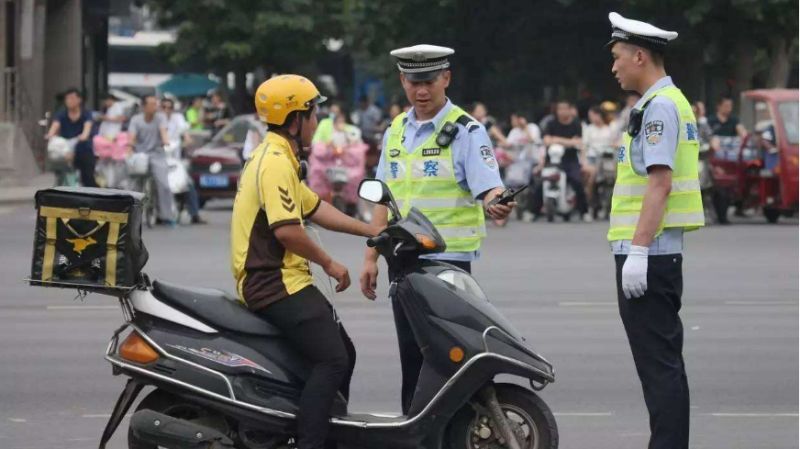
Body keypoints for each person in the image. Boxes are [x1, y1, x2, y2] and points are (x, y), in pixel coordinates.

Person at [359, 44, 513, 415]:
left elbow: (489, 187)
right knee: (412, 354)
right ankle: (414, 429)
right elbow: (382, 197)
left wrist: (498, 201)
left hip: (448, 265)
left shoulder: (466, 131)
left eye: (429, 81)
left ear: (446, 78)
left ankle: (455, 430)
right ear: (402, 81)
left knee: (451, 356)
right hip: (402, 261)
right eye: (414, 82)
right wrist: (370, 258)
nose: (421, 90)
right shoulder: (395, 131)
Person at [231, 75, 381, 449]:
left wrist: (372, 231)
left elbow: (316, 208)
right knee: (333, 360)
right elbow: (287, 231)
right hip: (271, 281)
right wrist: (330, 263)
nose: (317, 121)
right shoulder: (275, 163)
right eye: (313, 114)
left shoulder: (276, 155)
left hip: (279, 279)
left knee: (343, 353)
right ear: (295, 119)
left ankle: (327, 435)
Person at [607, 12, 705, 449]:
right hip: (655, 251)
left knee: (658, 366)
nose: (614, 66)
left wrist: (639, 251)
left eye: (618, 57)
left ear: (640, 56)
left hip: (651, 253)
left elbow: (659, 184)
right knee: (661, 364)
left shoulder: (660, 107)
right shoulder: (662, 102)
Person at [532, 99, 592, 222]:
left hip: (570, 161)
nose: (563, 111)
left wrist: (556, 139)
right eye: (560, 109)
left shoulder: (576, 124)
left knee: (577, 182)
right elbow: (547, 141)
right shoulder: (550, 123)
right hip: (551, 161)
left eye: (565, 108)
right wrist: (569, 142)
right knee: (541, 183)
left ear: (570, 110)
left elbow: (578, 142)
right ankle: (534, 211)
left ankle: (584, 211)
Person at [127, 95, 176, 226]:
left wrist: (166, 141)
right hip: (140, 155)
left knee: (164, 185)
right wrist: (129, 148)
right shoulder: (136, 120)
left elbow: (163, 132)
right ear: (144, 106)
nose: (155, 106)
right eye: (152, 104)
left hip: (157, 155)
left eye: (156, 104)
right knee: (133, 185)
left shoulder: (161, 118)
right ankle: (132, 214)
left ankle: (166, 215)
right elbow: (131, 137)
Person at [160, 97, 207, 225]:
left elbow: (185, 134)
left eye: (169, 107)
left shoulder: (178, 118)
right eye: (164, 107)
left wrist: (187, 141)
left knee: (188, 183)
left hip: (175, 160)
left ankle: (194, 214)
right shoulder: (157, 119)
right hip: (160, 158)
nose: (166, 110)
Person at [46, 88, 98, 187]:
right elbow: (55, 126)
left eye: (72, 98)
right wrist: (50, 135)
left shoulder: (86, 114)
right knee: (59, 166)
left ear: (79, 100)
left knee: (88, 176)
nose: (69, 101)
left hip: (83, 149)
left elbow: (87, 127)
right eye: (67, 99)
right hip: (66, 149)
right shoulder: (61, 114)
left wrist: (84, 136)